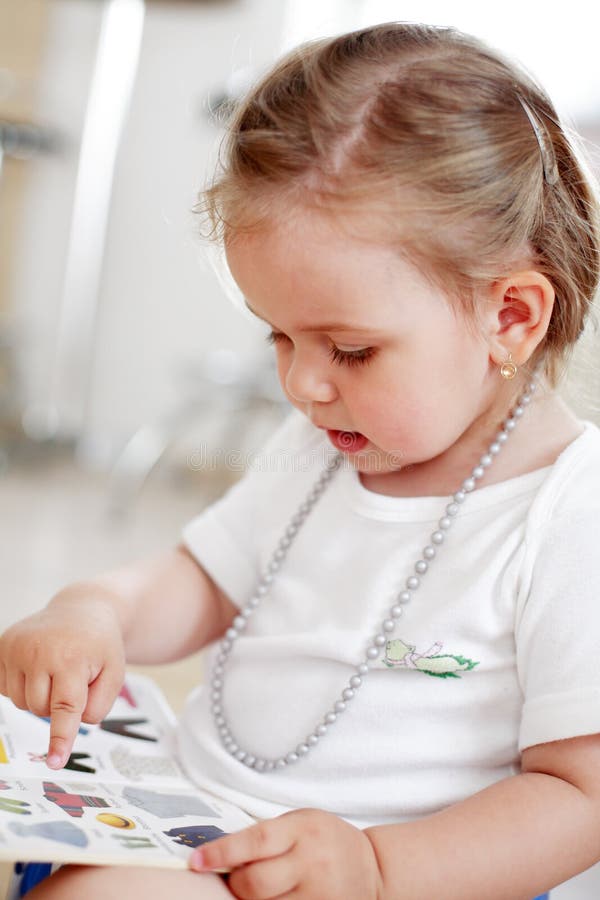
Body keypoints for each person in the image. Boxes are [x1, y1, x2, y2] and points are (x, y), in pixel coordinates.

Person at [1, 20, 600, 900]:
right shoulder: (323, 447)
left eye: (351, 350)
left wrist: (381, 868)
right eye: (278, 337)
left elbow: (580, 795)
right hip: (202, 829)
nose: (303, 386)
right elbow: (203, 581)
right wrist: (98, 610)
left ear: (509, 317)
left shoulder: (571, 513)